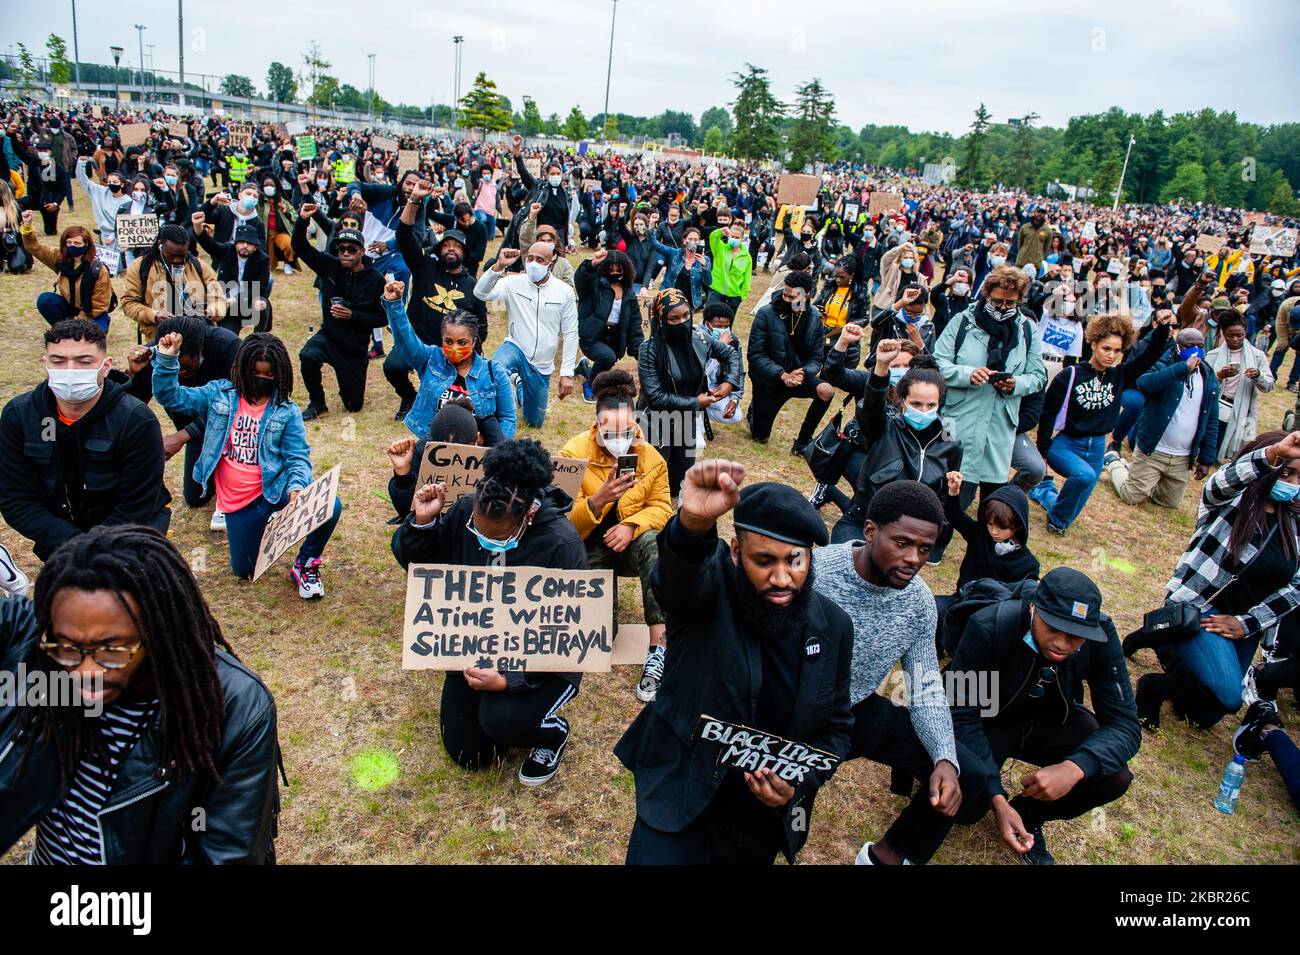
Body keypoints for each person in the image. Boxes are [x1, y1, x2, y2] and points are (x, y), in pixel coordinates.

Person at [615, 464, 854, 864]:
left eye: (796, 561)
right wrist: (690, 524)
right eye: (764, 562)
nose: (782, 578)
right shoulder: (708, 593)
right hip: (681, 792)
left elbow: (837, 730)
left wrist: (796, 783)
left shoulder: (834, 628)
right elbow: (677, 580)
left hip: (759, 818)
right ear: (736, 552)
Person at [0, 525, 281, 864]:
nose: (86, 673)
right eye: (68, 647)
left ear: (158, 632)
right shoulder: (36, 652)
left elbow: (227, 855)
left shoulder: (237, 709)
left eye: (113, 650)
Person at [392, 439, 588, 787]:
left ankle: (551, 734)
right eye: (477, 533)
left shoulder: (563, 544)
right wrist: (422, 524)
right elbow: (427, 572)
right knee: (470, 755)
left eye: (496, 537)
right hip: (476, 644)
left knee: (503, 721)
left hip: (542, 661)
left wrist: (510, 680)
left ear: (528, 513)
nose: (483, 542)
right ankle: (497, 713)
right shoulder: (467, 508)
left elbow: (568, 640)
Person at [813, 480, 990, 865]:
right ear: (871, 530)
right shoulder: (817, 572)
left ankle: (887, 857)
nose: (913, 558)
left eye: (925, 549)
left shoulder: (920, 603)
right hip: (798, 713)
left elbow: (926, 688)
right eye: (903, 543)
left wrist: (944, 758)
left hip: (857, 709)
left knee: (966, 772)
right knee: (777, 813)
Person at [948, 568, 1139, 865]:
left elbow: (1125, 724)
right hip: (987, 722)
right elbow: (961, 714)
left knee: (1113, 775)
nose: (1063, 643)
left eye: (1076, 636)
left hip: (1048, 721)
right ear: (1035, 609)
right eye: (1053, 629)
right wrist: (996, 797)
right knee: (965, 812)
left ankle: (1028, 814)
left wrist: (1076, 767)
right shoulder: (989, 625)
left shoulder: (1101, 636)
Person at [152, 330, 343, 598]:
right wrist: (166, 359)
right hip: (238, 501)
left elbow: (297, 456)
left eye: (269, 375)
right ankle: (263, 526)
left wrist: (297, 489)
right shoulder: (218, 394)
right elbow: (171, 396)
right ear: (241, 369)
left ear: (280, 374)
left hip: (275, 489)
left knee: (331, 504)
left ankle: (306, 563)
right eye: (256, 372)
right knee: (245, 570)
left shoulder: (286, 411)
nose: (262, 380)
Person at [1129, 432, 1300, 731]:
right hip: (1202, 606)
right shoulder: (1230, 501)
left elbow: (1296, 589)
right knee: (1228, 695)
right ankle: (1154, 686)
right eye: (1288, 473)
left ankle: (1159, 637)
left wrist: (1245, 623)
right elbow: (1223, 482)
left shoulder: (1295, 521)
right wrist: (1273, 454)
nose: (1293, 484)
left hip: (1243, 624)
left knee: (1205, 715)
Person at [0, 320, 169, 562]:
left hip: (129, 533)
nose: (71, 370)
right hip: (59, 535)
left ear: (106, 366)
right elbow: (16, 499)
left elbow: (136, 506)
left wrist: (89, 549)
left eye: (84, 361)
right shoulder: (18, 416)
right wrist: (71, 543)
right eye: (58, 361)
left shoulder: (136, 421)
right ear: (45, 364)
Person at [559, 370, 673, 701]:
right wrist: (599, 499)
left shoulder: (651, 459)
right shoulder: (572, 454)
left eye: (628, 430)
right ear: (596, 425)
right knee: (601, 639)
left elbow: (663, 508)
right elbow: (562, 521)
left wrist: (632, 525)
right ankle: (603, 614)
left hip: (629, 544)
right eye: (611, 431)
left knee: (654, 542)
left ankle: (658, 649)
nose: (620, 437)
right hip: (587, 545)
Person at [1028, 310, 1173, 533]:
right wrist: (1043, 448)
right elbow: (1048, 413)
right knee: (1083, 477)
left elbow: (1149, 357)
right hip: (1067, 443)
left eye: (1116, 350)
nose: (1111, 355)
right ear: (1093, 344)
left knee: (1073, 506)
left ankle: (1044, 493)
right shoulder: (1071, 374)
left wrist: (1162, 329)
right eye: (1106, 348)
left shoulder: (1120, 375)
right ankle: (1055, 522)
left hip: (1097, 445)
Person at [827, 331, 961, 548]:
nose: (924, 411)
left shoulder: (949, 437)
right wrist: (881, 367)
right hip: (864, 522)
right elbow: (871, 408)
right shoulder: (885, 427)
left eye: (931, 405)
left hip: (907, 537)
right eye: (916, 404)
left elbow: (945, 495)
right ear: (903, 401)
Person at [934, 265, 1047, 511]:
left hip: (999, 426)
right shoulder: (962, 322)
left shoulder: (1027, 330)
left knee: (992, 505)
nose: (1002, 308)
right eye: (997, 301)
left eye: (1010, 303)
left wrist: (1016, 384)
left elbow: (1038, 376)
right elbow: (938, 362)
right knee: (949, 493)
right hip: (956, 418)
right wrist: (967, 374)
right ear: (986, 294)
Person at [123, 315, 242, 519]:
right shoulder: (161, 352)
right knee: (195, 497)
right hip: (197, 429)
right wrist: (133, 374)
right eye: (176, 368)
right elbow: (131, 405)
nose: (181, 374)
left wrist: (183, 436)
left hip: (235, 426)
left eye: (188, 366)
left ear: (200, 351)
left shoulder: (227, 345)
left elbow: (238, 405)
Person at [394, 178, 488, 420]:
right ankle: (409, 397)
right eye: (446, 244)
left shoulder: (472, 286)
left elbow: (482, 327)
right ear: (439, 249)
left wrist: (467, 349)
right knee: (392, 367)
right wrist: (414, 200)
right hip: (415, 340)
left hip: (449, 351)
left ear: (465, 253)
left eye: (457, 245)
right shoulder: (425, 266)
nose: (451, 248)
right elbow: (404, 235)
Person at [380, 278, 516, 441]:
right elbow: (405, 340)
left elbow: (507, 418)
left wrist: (497, 448)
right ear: (442, 339)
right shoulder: (431, 359)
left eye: (462, 342)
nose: (455, 348)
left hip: (475, 451)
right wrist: (394, 305)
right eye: (448, 342)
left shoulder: (494, 372)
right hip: (431, 445)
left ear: (473, 342)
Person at [637, 288, 741, 498]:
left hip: (685, 419)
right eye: (674, 319)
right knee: (649, 482)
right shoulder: (649, 349)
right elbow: (655, 397)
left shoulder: (700, 337)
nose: (682, 322)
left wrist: (729, 382)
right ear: (661, 320)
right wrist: (696, 402)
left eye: (686, 315)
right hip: (657, 420)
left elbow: (731, 355)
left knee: (678, 484)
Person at [1104, 326, 1219, 510]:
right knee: (1131, 496)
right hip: (1154, 449)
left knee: (1168, 502)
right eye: (1190, 345)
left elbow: (1211, 419)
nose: (1196, 350)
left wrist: (1206, 459)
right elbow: (1144, 383)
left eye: (1200, 345)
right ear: (1179, 346)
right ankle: (1113, 462)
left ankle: (1135, 473)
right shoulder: (1167, 362)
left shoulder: (1208, 375)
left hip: (1182, 457)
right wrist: (1182, 368)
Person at [292, 207, 388, 419]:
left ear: (362, 252)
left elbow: (383, 318)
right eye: (341, 248)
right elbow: (299, 247)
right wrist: (301, 222)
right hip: (329, 337)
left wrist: (352, 315)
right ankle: (317, 402)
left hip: (355, 348)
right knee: (308, 355)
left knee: (353, 406)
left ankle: (349, 387)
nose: (345, 253)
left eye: (351, 249)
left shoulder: (375, 280)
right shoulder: (330, 266)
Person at [474, 244, 579, 429]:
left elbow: (571, 333)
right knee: (496, 368)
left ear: (550, 265)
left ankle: (520, 387)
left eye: (540, 260)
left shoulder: (565, 292)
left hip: (542, 364)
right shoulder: (513, 283)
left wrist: (567, 373)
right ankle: (492, 415)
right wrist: (499, 266)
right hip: (515, 347)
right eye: (530, 258)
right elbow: (480, 293)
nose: (533, 263)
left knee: (534, 422)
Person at [746, 271, 834, 454]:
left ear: (807, 295)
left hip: (797, 378)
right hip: (770, 380)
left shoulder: (815, 318)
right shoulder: (766, 314)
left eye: (792, 296)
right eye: (785, 294)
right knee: (759, 437)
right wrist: (782, 374)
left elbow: (817, 358)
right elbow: (755, 355)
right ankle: (755, 409)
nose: (787, 299)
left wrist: (803, 372)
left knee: (826, 391)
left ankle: (802, 442)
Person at [941, 471, 1040, 630]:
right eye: (990, 524)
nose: (994, 531)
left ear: (1018, 525)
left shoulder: (1028, 565)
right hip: (961, 602)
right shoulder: (980, 534)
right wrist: (953, 492)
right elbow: (956, 516)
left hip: (992, 620)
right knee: (933, 609)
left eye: (1002, 527)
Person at [120, 224, 227, 343]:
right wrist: (154, 315)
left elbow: (219, 299)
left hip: (198, 337)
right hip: (161, 338)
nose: (177, 260)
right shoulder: (140, 267)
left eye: (181, 255)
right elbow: (129, 303)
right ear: (160, 245)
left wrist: (210, 312)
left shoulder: (198, 266)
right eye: (172, 255)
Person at [19, 211, 115, 331]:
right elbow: (35, 248)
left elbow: (99, 304)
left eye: (77, 243)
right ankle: (63, 330)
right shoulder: (60, 258)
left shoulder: (98, 269)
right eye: (69, 242)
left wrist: (77, 321)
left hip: (93, 313)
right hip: (70, 306)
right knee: (45, 300)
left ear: (86, 244)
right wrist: (27, 228)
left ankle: (69, 330)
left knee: (92, 338)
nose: (72, 246)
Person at [575, 248, 644, 402]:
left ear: (625, 269)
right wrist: (592, 264)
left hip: (614, 339)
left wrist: (642, 355)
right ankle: (590, 384)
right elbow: (581, 278)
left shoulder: (629, 294)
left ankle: (584, 368)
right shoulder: (593, 285)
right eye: (610, 268)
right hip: (592, 335)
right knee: (607, 357)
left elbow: (635, 326)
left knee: (609, 360)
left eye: (618, 268)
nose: (614, 271)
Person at [1205, 310, 1274, 462]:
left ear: (1245, 332)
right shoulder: (1213, 356)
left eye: (1240, 335)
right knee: (1212, 446)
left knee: (1244, 446)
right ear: (1222, 333)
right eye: (1230, 335)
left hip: (1245, 408)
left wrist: (1257, 376)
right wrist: (1220, 376)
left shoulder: (1257, 356)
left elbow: (1269, 386)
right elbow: (1202, 386)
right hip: (1219, 406)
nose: (1235, 339)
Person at [192, 215, 273, 335]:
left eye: (249, 243)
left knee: (262, 305)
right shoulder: (227, 251)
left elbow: (260, 287)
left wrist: (236, 299)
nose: (244, 246)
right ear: (235, 243)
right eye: (241, 242)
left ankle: (259, 336)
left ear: (255, 246)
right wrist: (198, 228)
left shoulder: (263, 259)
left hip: (248, 300)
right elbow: (211, 245)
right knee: (227, 334)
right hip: (226, 303)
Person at [699, 301, 746, 426]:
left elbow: (739, 372)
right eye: (718, 326)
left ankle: (704, 413)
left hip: (717, 389)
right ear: (708, 324)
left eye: (726, 326)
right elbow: (698, 367)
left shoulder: (734, 341)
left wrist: (735, 399)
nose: (723, 330)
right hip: (695, 390)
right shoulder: (696, 337)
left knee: (736, 416)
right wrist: (721, 346)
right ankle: (695, 418)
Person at [705, 208, 752, 312]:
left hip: (734, 295)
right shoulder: (720, 248)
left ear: (742, 239)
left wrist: (741, 296)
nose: (734, 239)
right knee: (709, 317)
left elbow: (747, 279)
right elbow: (712, 237)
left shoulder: (746, 257)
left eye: (737, 237)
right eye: (732, 236)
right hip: (716, 290)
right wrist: (720, 232)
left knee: (726, 324)